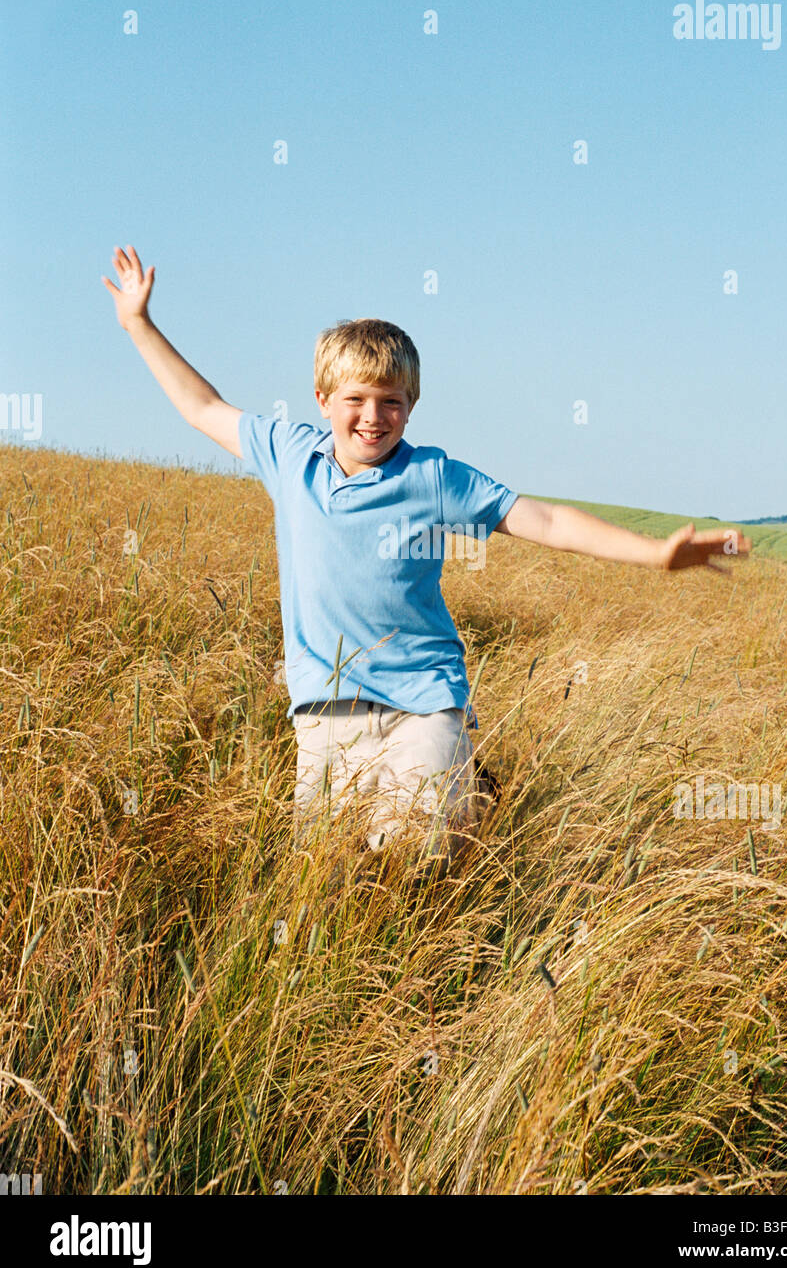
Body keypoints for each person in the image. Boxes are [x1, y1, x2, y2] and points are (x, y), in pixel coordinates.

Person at [102, 245, 751, 878]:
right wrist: (138, 323)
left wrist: (654, 554)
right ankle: (460, 804)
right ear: (322, 398)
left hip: (424, 701)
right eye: (356, 399)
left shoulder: (436, 476)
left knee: (418, 855)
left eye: (391, 401)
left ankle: (456, 793)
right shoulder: (287, 454)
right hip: (325, 712)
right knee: (328, 875)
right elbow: (200, 407)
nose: (373, 416)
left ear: (411, 405)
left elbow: (543, 520)